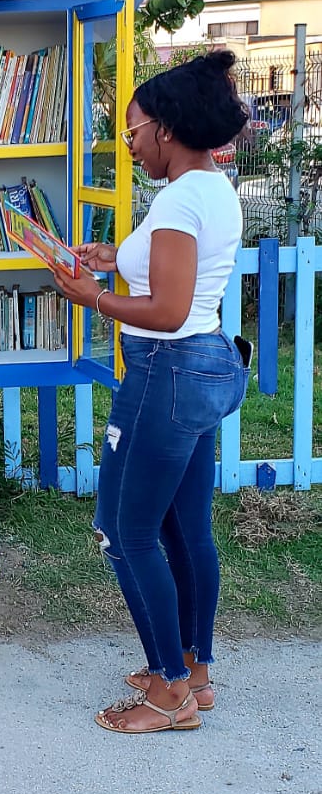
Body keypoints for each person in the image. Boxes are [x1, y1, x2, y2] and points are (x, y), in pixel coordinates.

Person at [51, 50, 250, 733]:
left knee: (124, 530)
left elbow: (166, 309)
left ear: (165, 127)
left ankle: (169, 694)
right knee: (184, 527)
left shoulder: (179, 197)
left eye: (133, 132)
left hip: (164, 369)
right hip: (197, 366)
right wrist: (114, 258)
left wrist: (94, 298)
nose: (130, 145)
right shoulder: (210, 188)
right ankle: (194, 670)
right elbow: (180, 280)